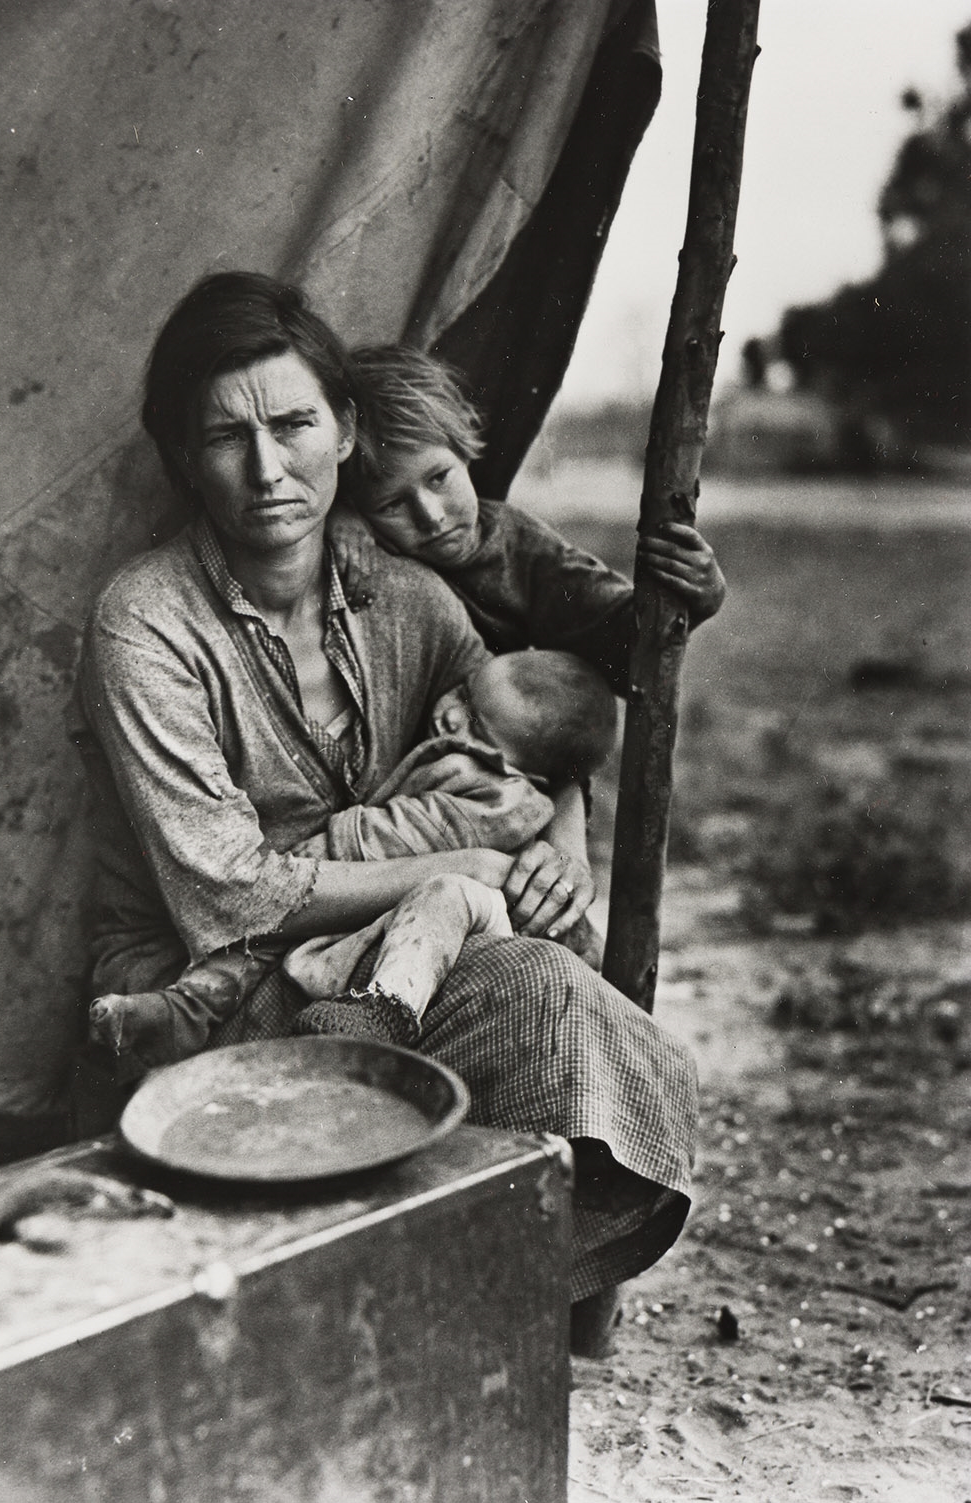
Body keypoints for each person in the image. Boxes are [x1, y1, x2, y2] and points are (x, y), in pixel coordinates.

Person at [70, 270, 697, 1305]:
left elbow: (525, 748)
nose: (269, 468)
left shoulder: (412, 601)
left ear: (346, 429)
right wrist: (463, 866)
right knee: (521, 981)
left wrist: (557, 848)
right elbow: (223, 897)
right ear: (183, 456)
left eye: (293, 423)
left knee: (540, 976)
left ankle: (470, 1292)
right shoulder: (145, 624)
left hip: (393, 974)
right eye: (227, 438)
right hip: (207, 985)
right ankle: (416, 1288)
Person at [89, 647, 617, 1069]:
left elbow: (402, 834)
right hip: (388, 898)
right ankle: (181, 1012)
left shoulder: (500, 801)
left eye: (475, 725)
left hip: (413, 901)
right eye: (464, 691)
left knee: (270, 938)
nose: (450, 711)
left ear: (528, 772)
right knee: (255, 946)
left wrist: (322, 854)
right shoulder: (472, 754)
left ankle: (378, 1013)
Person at [333, 343, 727, 697]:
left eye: (439, 477)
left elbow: (615, 637)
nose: (431, 517)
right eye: (391, 505)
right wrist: (337, 521)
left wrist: (693, 598)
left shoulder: (518, 545)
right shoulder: (357, 544)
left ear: (464, 451)